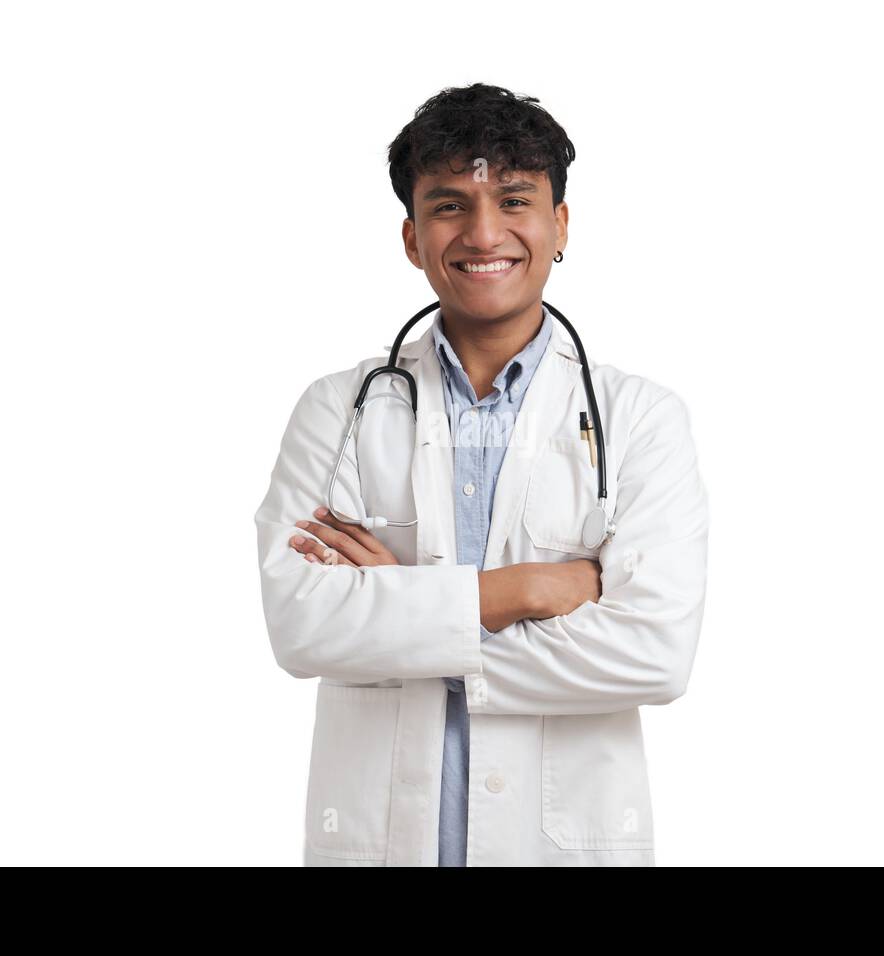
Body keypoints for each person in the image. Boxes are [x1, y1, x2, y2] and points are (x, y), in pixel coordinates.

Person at [253, 82, 709, 867]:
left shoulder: (641, 419)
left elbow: (656, 652)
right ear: (412, 236)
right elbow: (302, 626)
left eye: (516, 200)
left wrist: (401, 619)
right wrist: (525, 591)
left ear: (561, 225)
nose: (484, 232)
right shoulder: (339, 412)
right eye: (450, 204)